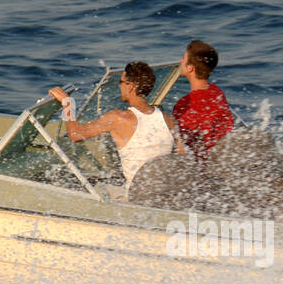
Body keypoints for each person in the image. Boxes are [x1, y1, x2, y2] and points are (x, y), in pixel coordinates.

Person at [49, 61, 184, 191]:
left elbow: (75, 134)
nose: (119, 86)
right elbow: (182, 158)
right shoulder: (169, 119)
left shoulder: (118, 118)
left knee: (89, 187)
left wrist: (67, 103)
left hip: (135, 196)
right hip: (164, 193)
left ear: (130, 86)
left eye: (121, 82)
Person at [172, 40, 234, 164]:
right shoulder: (216, 92)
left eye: (183, 59)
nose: (180, 62)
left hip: (200, 170)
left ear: (190, 68)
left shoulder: (184, 104)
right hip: (222, 161)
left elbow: (181, 147)